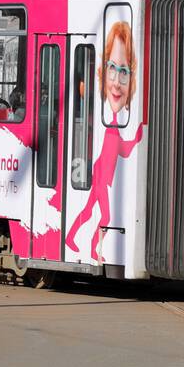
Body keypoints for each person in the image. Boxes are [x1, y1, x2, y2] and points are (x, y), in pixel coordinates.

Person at [66, 21, 142, 264]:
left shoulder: (114, 122)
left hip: (99, 175)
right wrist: (137, 136)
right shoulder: (110, 123)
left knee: (89, 211)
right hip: (99, 177)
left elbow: (124, 150)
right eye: (112, 68)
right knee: (105, 216)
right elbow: (123, 150)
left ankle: (70, 237)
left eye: (124, 71)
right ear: (101, 72)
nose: (118, 82)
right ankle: (91, 249)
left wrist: (138, 134)